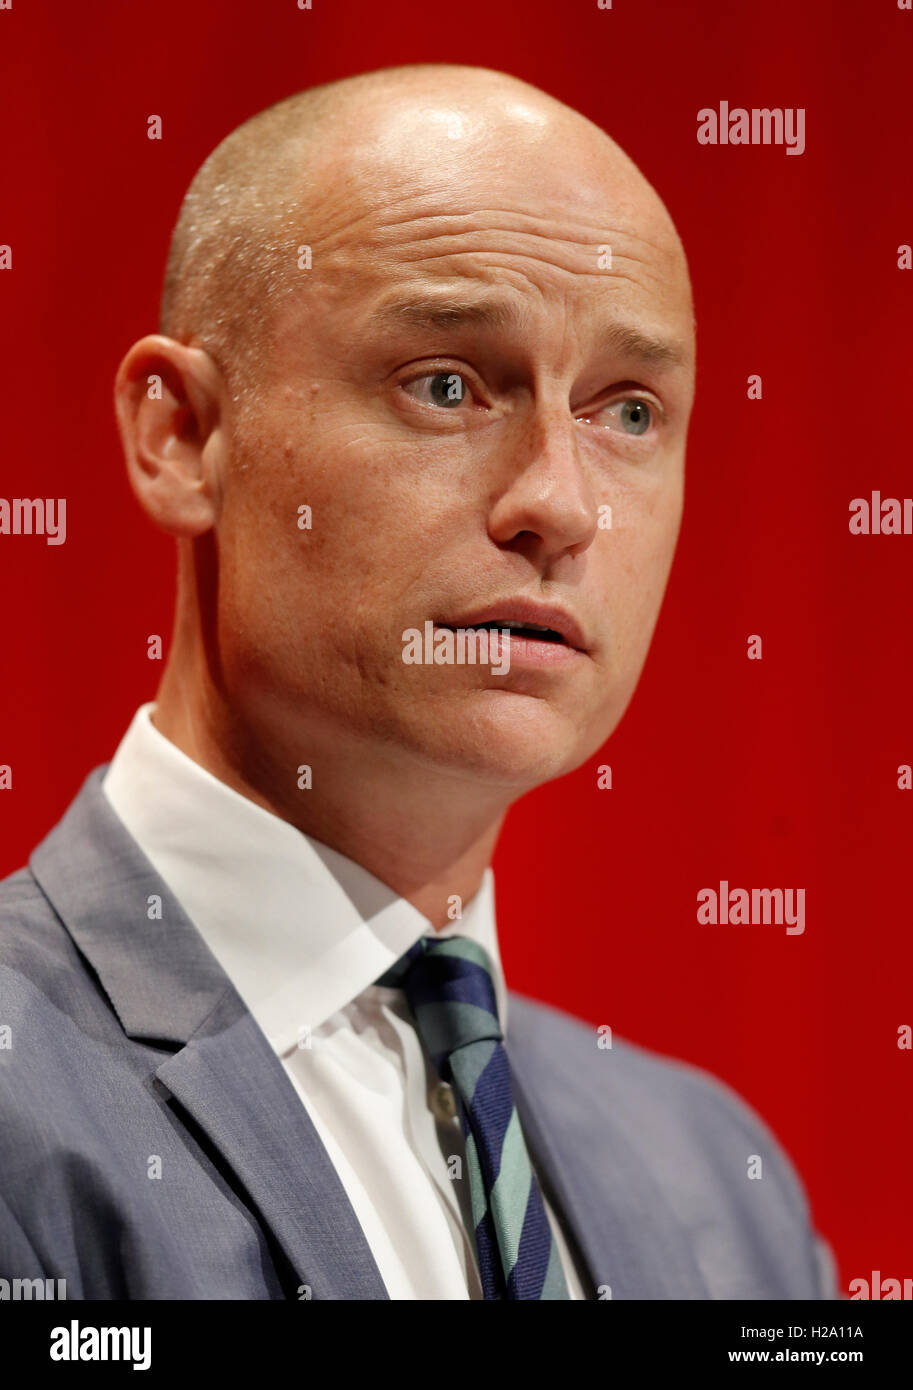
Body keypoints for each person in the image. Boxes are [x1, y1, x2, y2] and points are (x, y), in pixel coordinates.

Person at [0, 63, 837, 1299]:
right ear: (180, 436)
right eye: (446, 384)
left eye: (628, 411)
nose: (558, 501)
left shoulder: (721, 1182)